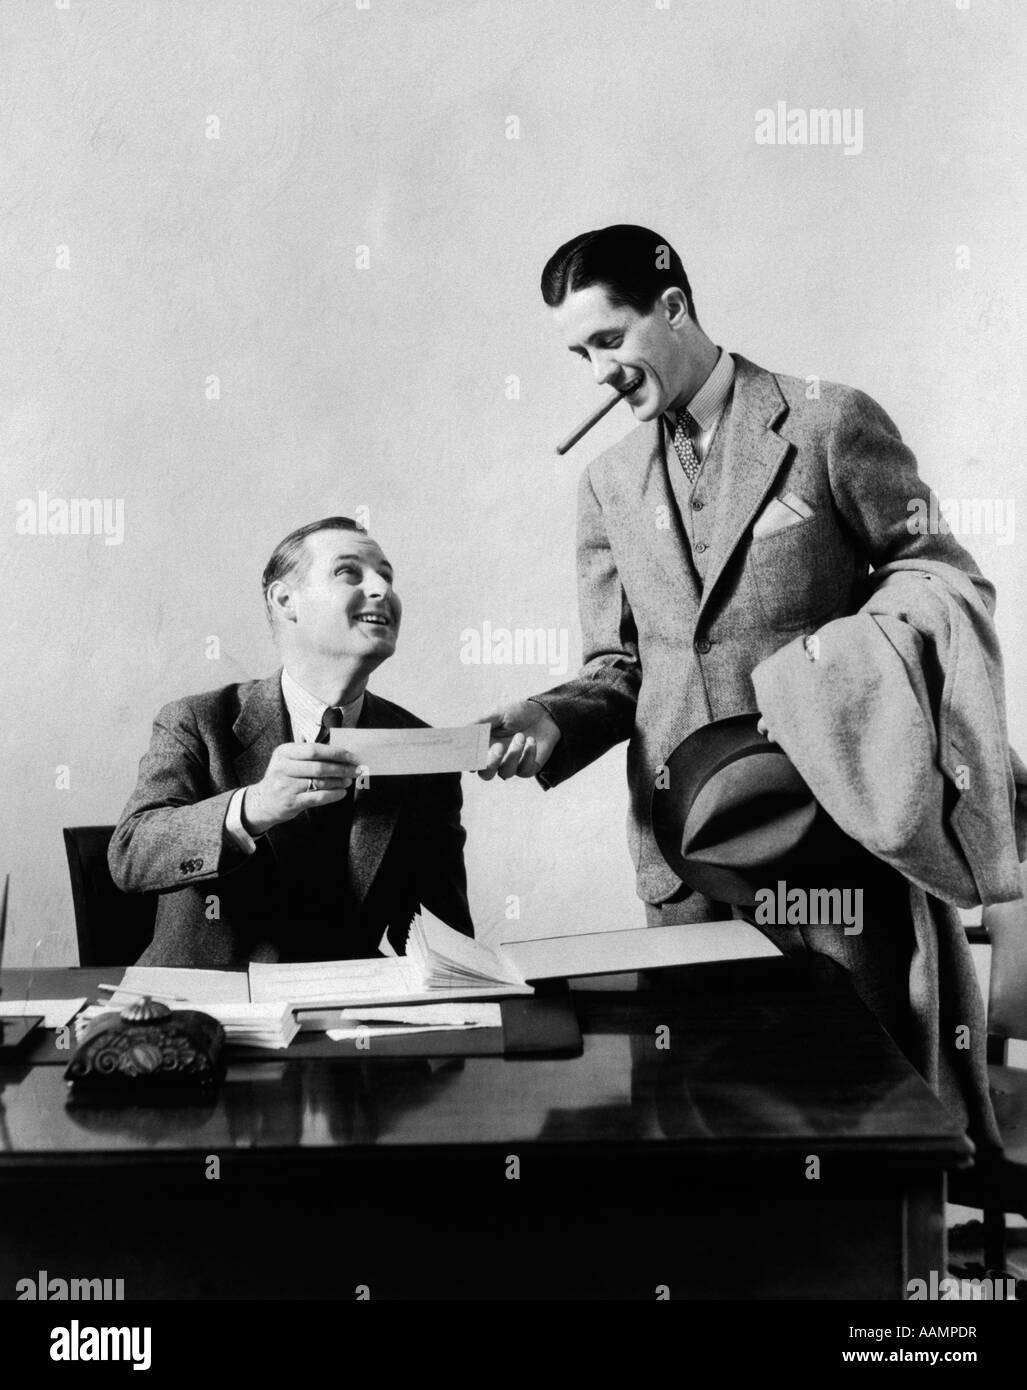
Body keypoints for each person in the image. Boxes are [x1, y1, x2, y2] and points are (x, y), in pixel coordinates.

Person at [479, 223, 991, 934]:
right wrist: (552, 716)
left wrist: (837, 666)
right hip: (683, 856)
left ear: (673, 307)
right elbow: (621, 666)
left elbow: (936, 573)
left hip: (831, 842)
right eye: (581, 353)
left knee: (848, 1049)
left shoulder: (827, 421)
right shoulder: (607, 484)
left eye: (610, 339)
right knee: (696, 1048)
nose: (599, 372)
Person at [109, 516, 473, 967]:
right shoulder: (195, 721)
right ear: (285, 600)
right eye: (349, 572)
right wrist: (253, 806)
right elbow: (130, 855)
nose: (382, 589)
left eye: (387, 576)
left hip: (346, 1017)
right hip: (206, 1016)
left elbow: (442, 937)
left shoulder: (424, 750)